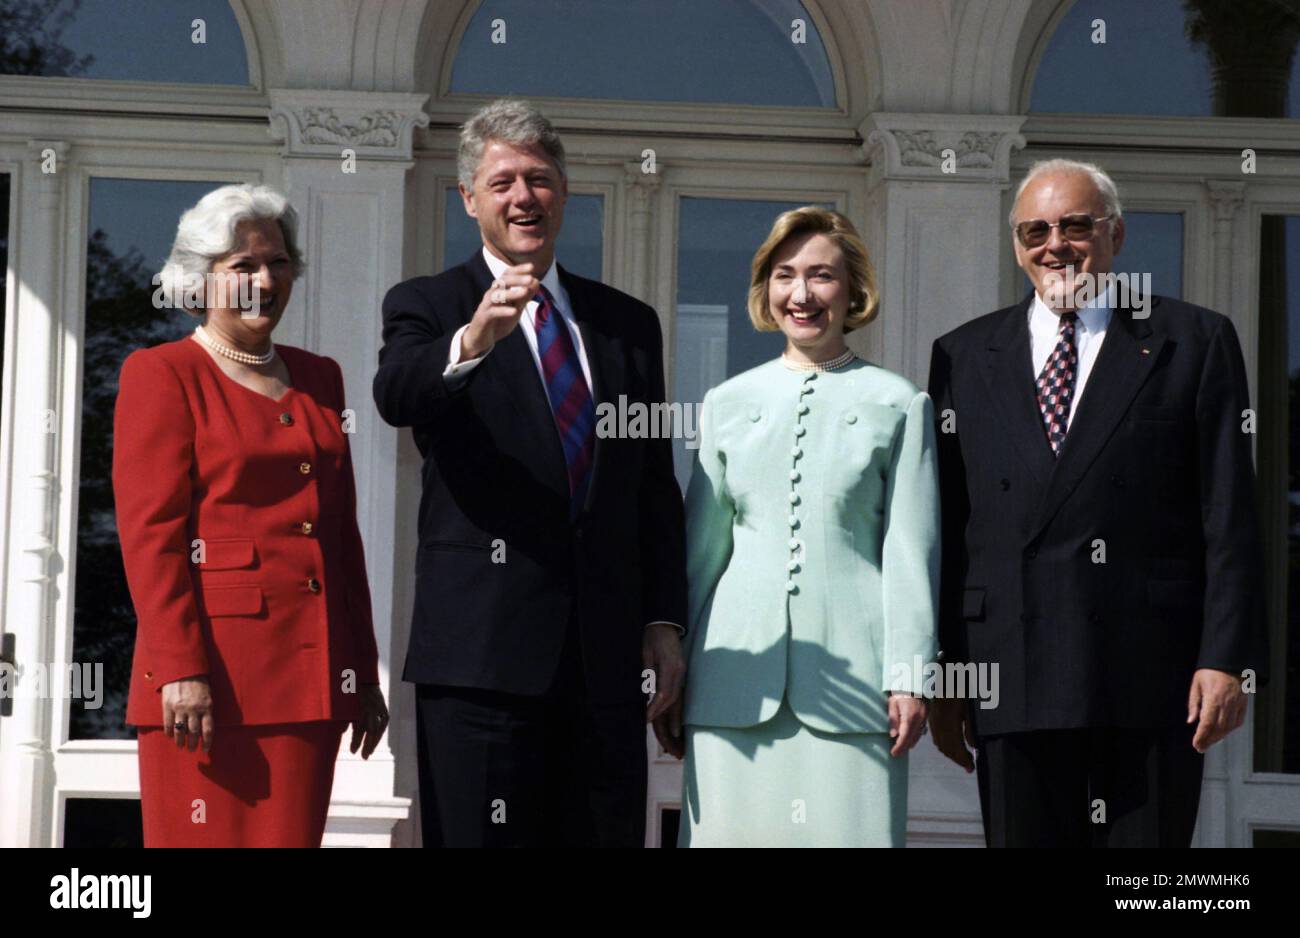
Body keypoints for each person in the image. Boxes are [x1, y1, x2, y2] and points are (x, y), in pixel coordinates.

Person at [926, 158, 1270, 847]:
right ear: (1018, 247)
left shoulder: (1191, 341)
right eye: (1034, 232)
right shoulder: (964, 355)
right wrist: (946, 672)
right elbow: (949, 529)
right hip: (1009, 665)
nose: (1055, 244)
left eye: (1076, 225)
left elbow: (1228, 515)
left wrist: (1226, 658)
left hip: (1150, 669)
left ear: (1115, 233)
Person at [372, 99, 687, 847]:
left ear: (565, 191)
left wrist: (664, 623)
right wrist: (476, 336)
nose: (524, 197)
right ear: (469, 198)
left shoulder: (627, 323)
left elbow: (652, 485)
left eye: (540, 180)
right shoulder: (427, 304)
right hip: (482, 660)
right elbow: (398, 396)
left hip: (604, 665)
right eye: (504, 180)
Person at [113, 183, 388, 848]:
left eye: (278, 263)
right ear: (199, 279)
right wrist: (180, 669)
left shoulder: (319, 377)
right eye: (243, 267)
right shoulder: (163, 374)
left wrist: (360, 668)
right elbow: (152, 537)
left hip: (308, 677)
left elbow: (339, 535)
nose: (264, 281)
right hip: (208, 686)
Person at [676, 206, 938, 847]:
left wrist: (909, 674)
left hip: (857, 684)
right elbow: (700, 554)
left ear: (853, 290)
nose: (802, 293)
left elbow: (911, 550)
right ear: (766, 288)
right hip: (731, 680)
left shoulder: (899, 401)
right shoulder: (728, 402)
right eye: (785, 275)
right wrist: (674, 668)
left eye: (821, 275)